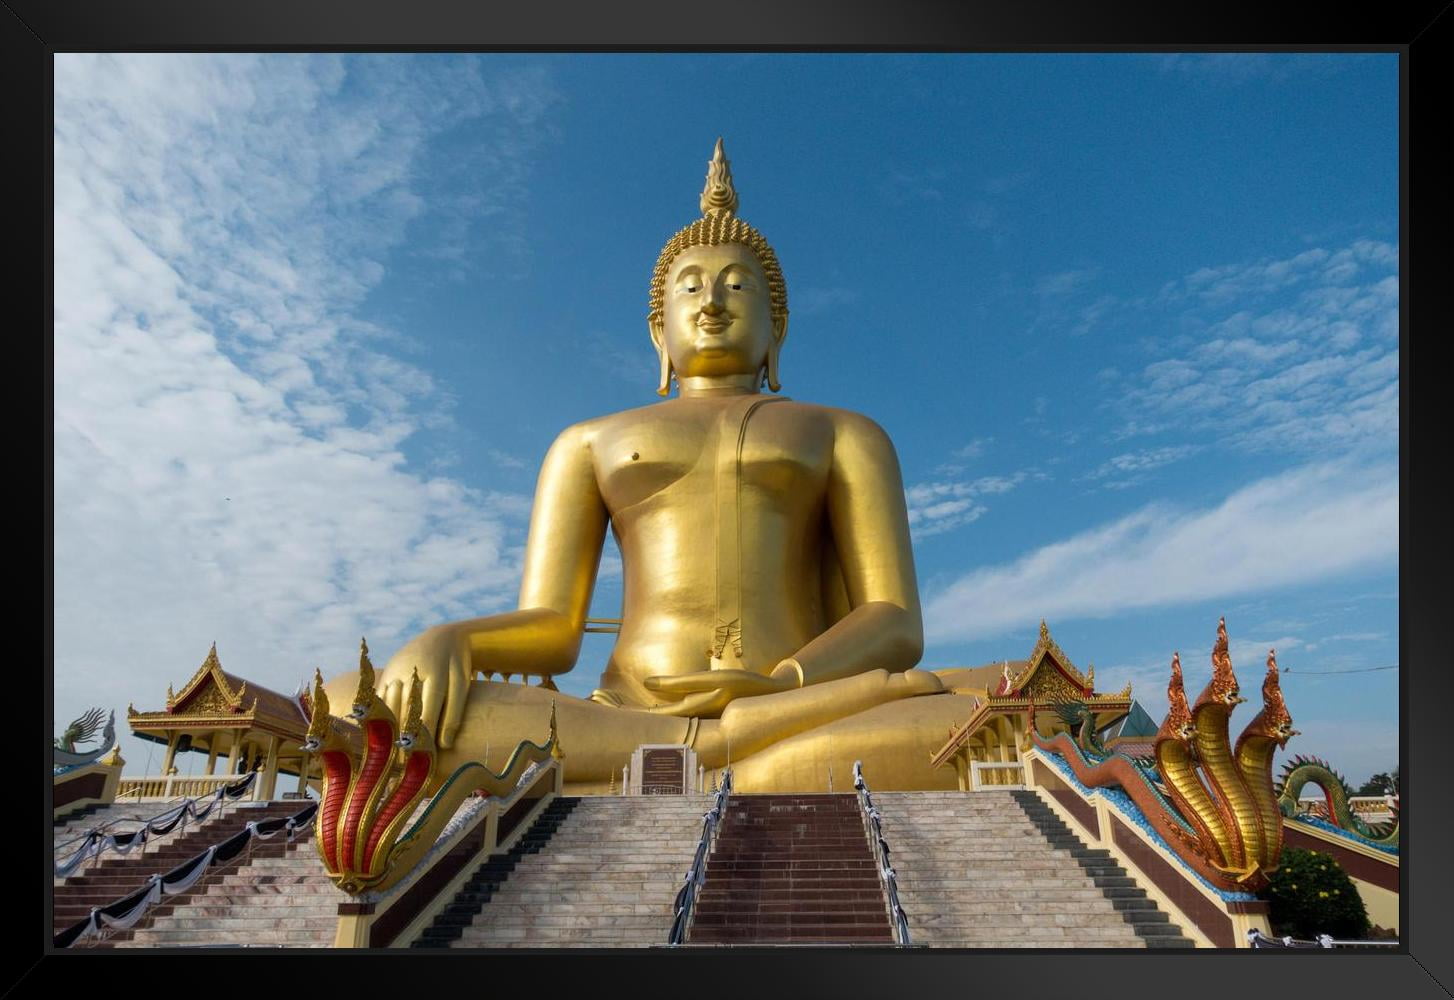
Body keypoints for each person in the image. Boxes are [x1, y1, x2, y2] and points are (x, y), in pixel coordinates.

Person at [324, 139, 964, 792]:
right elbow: (554, 633)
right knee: (355, 701)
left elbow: (893, 619)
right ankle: (723, 751)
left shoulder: (844, 432)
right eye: (690, 288)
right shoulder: (588, 441)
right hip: (627, 709)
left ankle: (700, 753)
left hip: (794, 700)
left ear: (778, 330)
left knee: (1000, 708)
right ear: (660, 332)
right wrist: (452, 640)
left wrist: (780, 684)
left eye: (738, 287)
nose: (712, 303)